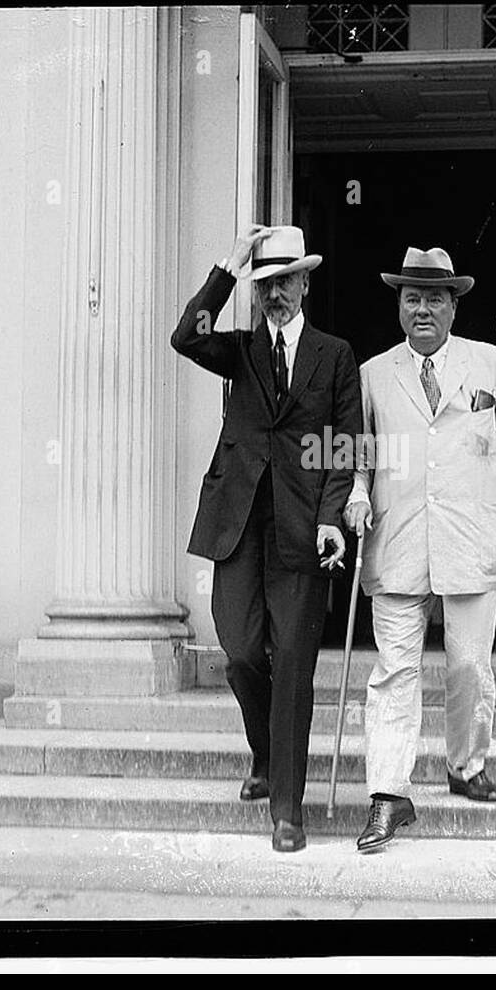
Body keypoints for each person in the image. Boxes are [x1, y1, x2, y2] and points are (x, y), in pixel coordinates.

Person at [171, 224, 361, 852]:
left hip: (305, 529)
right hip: (238, 525)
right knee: (243, 651)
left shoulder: (334, 356)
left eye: (285, 281)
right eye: (265, 284)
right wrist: (228, 267)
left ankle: (288, 807)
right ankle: (264, 749)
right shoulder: (241, 350)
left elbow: (344, 446)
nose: (276, 293)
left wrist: (333, 515)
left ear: (306, 283)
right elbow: (185, 336)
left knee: (295, 670)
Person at [343, 246, 496, 852]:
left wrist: (477, 495)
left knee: (468, 667)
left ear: (454, 305)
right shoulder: (373, 373)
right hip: (397, 540)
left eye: (434, 298)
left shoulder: (491, 363)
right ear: (398, 306)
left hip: (472, 542)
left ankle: (465, 765)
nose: (422, 309)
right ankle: (389, 794)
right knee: (393, 670)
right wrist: (355, 492)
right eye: (411, 298)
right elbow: (359, 452)